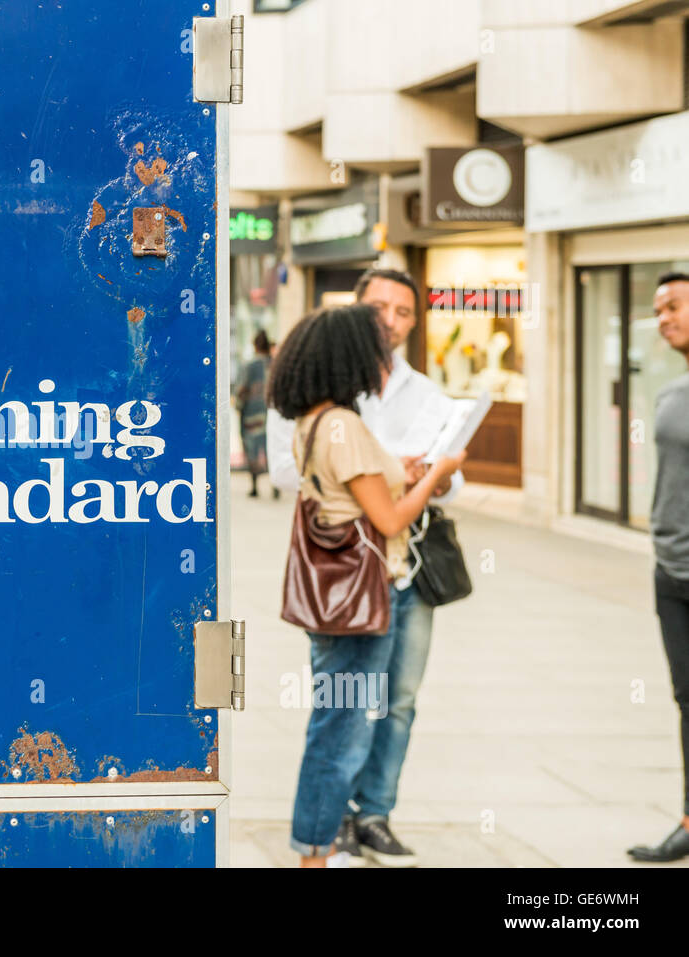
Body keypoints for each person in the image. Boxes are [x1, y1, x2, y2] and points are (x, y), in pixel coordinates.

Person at [268, 267, 464, 867]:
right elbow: (388, 519)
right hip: (360, 606)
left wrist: (402, 470)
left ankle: (318, 847)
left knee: (338, 723)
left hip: (340, 603)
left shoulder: (316, 420)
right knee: (343, 732)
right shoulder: (345, 426)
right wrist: (435, 470)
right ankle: (316, 853)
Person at [630, 272, 689, 863]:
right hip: (672, 574)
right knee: (688, 701)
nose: (664, 317)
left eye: (674, 306)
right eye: (658, 309)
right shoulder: (673, 392)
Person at [233, 332, 278, 498]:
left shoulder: (249, 366)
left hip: (252, 414)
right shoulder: (276, 364)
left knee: (252, 449)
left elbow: (242, 389)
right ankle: (275, 486)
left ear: (255, 346)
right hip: (273, 414)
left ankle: (254, 486)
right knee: (270, 448)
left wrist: (239, 407)